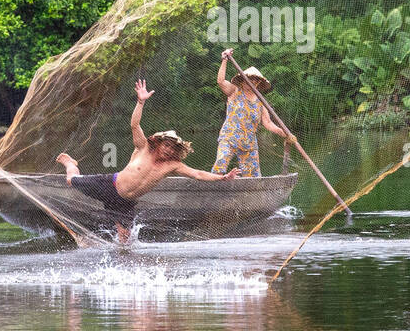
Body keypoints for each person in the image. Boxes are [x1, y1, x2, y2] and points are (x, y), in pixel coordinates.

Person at [56, 78, 237, 243]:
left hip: (125, 202)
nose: (169, 149)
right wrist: (141, 102)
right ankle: (71, 164)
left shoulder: (172, 165)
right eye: (166, 145)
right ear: (158, 143)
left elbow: (197, 174)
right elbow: (135, 124)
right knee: (70, 180)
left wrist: (221, 177)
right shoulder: (143, 147)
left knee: (125, 240)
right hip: (109, 185)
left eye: (173, 148)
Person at [212, 49, 288, 178]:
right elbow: (220, 81)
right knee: (221, 163)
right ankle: (213, 189)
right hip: (229, 137)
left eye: (255, 79)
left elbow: (268, 123)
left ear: (258, 82)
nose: (252, 81)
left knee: (252, 176)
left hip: (249, 143)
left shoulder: (260, 102)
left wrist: (283, 132)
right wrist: (224, 59)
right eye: (249, 78)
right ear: (242, 79)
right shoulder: (234, 91)